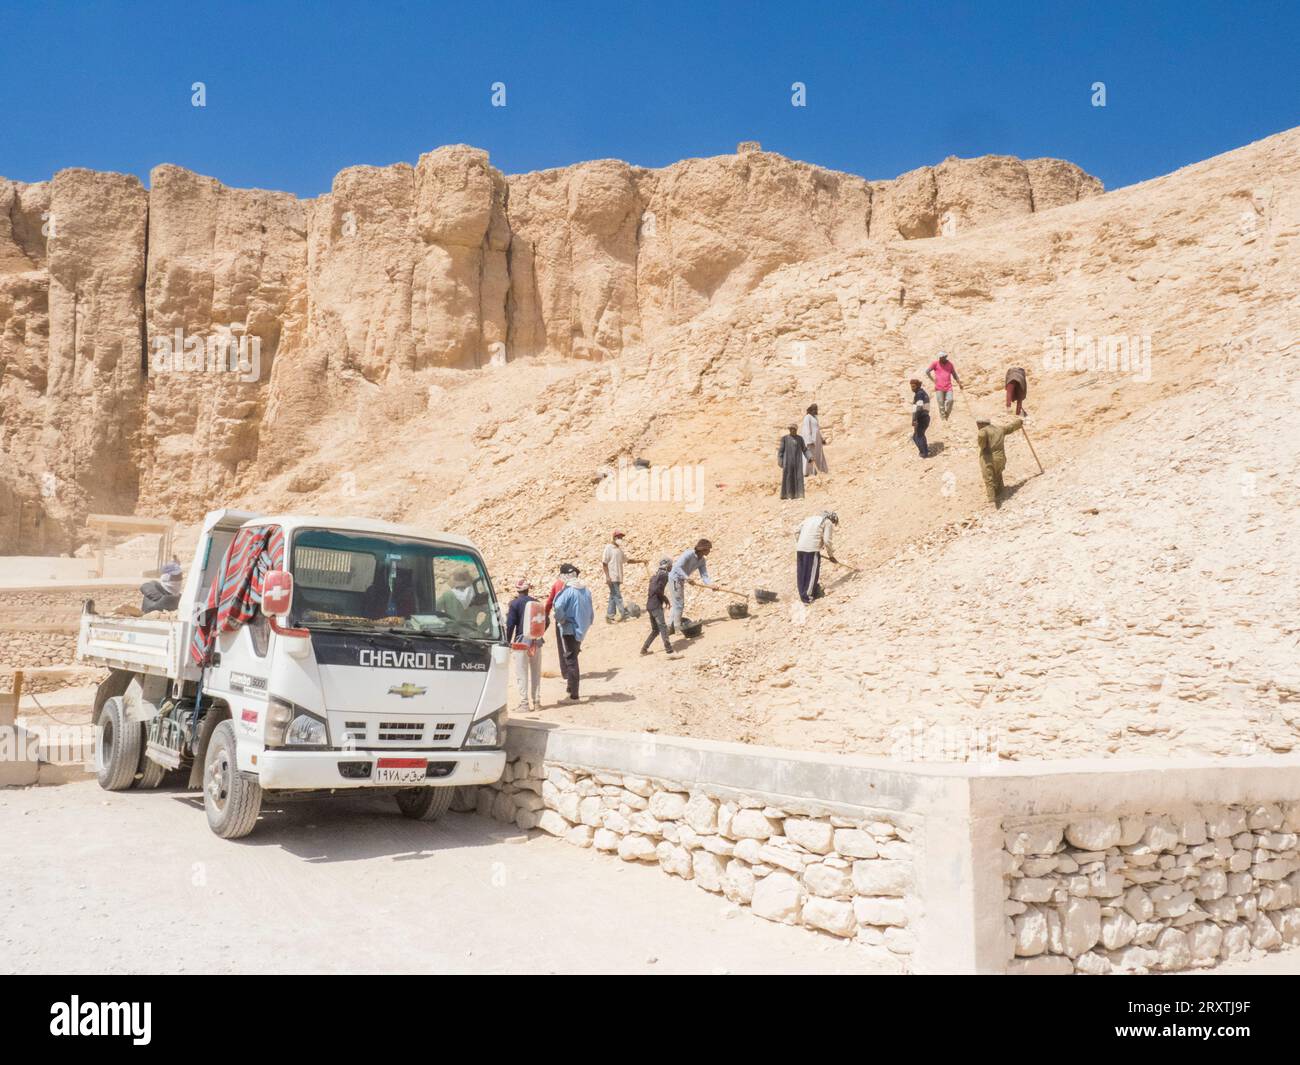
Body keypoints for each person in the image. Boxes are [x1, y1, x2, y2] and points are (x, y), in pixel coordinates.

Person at [551, 565, 594, 702]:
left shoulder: (568, 591)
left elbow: (557, 607)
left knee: (571, 661)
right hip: (581, 629)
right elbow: (591, 613)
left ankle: (573, 695)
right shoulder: (586, 590)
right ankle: (570, 688)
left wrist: (561, 619)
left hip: (569, 629)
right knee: (573, 657)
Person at [505, 579, 543, 711]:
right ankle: (537, 702)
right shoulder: (537, 603)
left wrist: (507, 641)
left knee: (522, 673)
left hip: (521, 642)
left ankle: (524, 703)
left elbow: (510, 625)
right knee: (536, 672)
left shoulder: (514, 604)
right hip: (536, 641)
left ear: (517, 590)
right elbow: (546, 621)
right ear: (528, 589)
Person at [976, 416, 1024, 507]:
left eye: (977, 425)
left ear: (981, 424)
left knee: (989, 479)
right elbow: (1010, 427)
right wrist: (1019, 422)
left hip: (989, 458)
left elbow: (982, 445)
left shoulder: (983, 431)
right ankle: (1001, 493)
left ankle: (992, 502)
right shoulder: (999, 428)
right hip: (1001, 457)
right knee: (998, 474)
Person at [668, 539, 713, 633]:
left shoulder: (702, 561)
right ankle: (676, 628)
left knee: (676, 603)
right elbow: (677, 567)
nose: (709, 551)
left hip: (681, 580)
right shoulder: (689, 554)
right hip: (675, 578)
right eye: (708, 549)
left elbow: (704, 575)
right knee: (679, 604)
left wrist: (711, 585)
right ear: (702, 549)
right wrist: (687, 578)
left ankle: (670, 626)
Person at [795, 511, 838, 604]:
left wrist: (801, 543)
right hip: (812, 549)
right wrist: (831, 555)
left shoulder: (809, 519)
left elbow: (796, 531)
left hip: (800, 549)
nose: (833, 524)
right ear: (832, 518)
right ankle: (807, 598)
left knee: (802, 573)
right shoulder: (827, 522)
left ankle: (803, 594)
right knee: (811, 574)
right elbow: (827, 540)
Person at [640, 558, 675, 656]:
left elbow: (654, 589)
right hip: (655, 605)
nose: (672, 567)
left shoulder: (655, 575)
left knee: (655, 630)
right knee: (663, 627)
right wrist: (665, 599)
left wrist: (664, 599)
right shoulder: (664, 575)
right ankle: (669, 650)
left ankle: (644, 649)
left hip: (650, 605)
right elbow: (658, 590)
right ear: (667, 566)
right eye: (671, 565)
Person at [602, 530, 630, 622]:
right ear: (614, 538)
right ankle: (623, 615)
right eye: (619, 537)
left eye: (621, 538)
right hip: (612, 577)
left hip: (618, 577)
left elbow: (627, 560)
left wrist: (641, 561)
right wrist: (607, 577)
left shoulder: (619, 550)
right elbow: (604, 563)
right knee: (618, 596)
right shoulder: (608, 548)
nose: (620, 539)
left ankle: (610, 615)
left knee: (613, 595)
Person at [926, 352, 960, 421]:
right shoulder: (935, 363)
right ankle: (943, 418)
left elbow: (954, 374)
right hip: (939, 387)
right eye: (941, 358)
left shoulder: (950, 364)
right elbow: (927, 371)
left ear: (945, 357)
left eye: (943, 357)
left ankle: (947, 414)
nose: (942, 359)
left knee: (950, 400)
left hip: (948, 386)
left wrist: (959, 382)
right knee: (940, 402)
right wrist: (933, 380)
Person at [777, 424, 807, 499]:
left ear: (796, 430)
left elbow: (805, 449)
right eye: (791, 429)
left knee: (799, 478)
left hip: (798, 462)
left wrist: (809, 457)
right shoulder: (785, 438)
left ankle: (799, 495)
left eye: (794, 429)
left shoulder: (800, 439)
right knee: (788, 478)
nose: (792, 430)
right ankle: (788, 495)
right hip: (787, 462)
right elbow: (780, 451)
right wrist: (780, 461)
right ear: (789, 430)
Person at [800, 403, 828, 476]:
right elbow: (806, 429)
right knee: (809, 455)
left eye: (816, 409)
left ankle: (818, 470)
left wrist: (822, 439)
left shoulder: (815, 418)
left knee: (818, 455)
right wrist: (809, 440)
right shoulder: (807, 417)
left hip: (817, 441)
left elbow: (817, 430)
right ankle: (806, 472)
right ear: (811, 410)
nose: (816, 411)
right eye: (815, 409)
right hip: (811, 441)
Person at [910, 378, 931, 458]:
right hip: (925, 417)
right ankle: (925, 450)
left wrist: (914, 419)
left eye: (914, 386)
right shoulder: (923, 393)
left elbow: (919, 407)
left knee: (917, 436)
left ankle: (924, 453)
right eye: (911, 386)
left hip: (921, 418)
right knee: (919, 435)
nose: (912, 388)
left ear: (918, 386)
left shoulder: (919, 394)